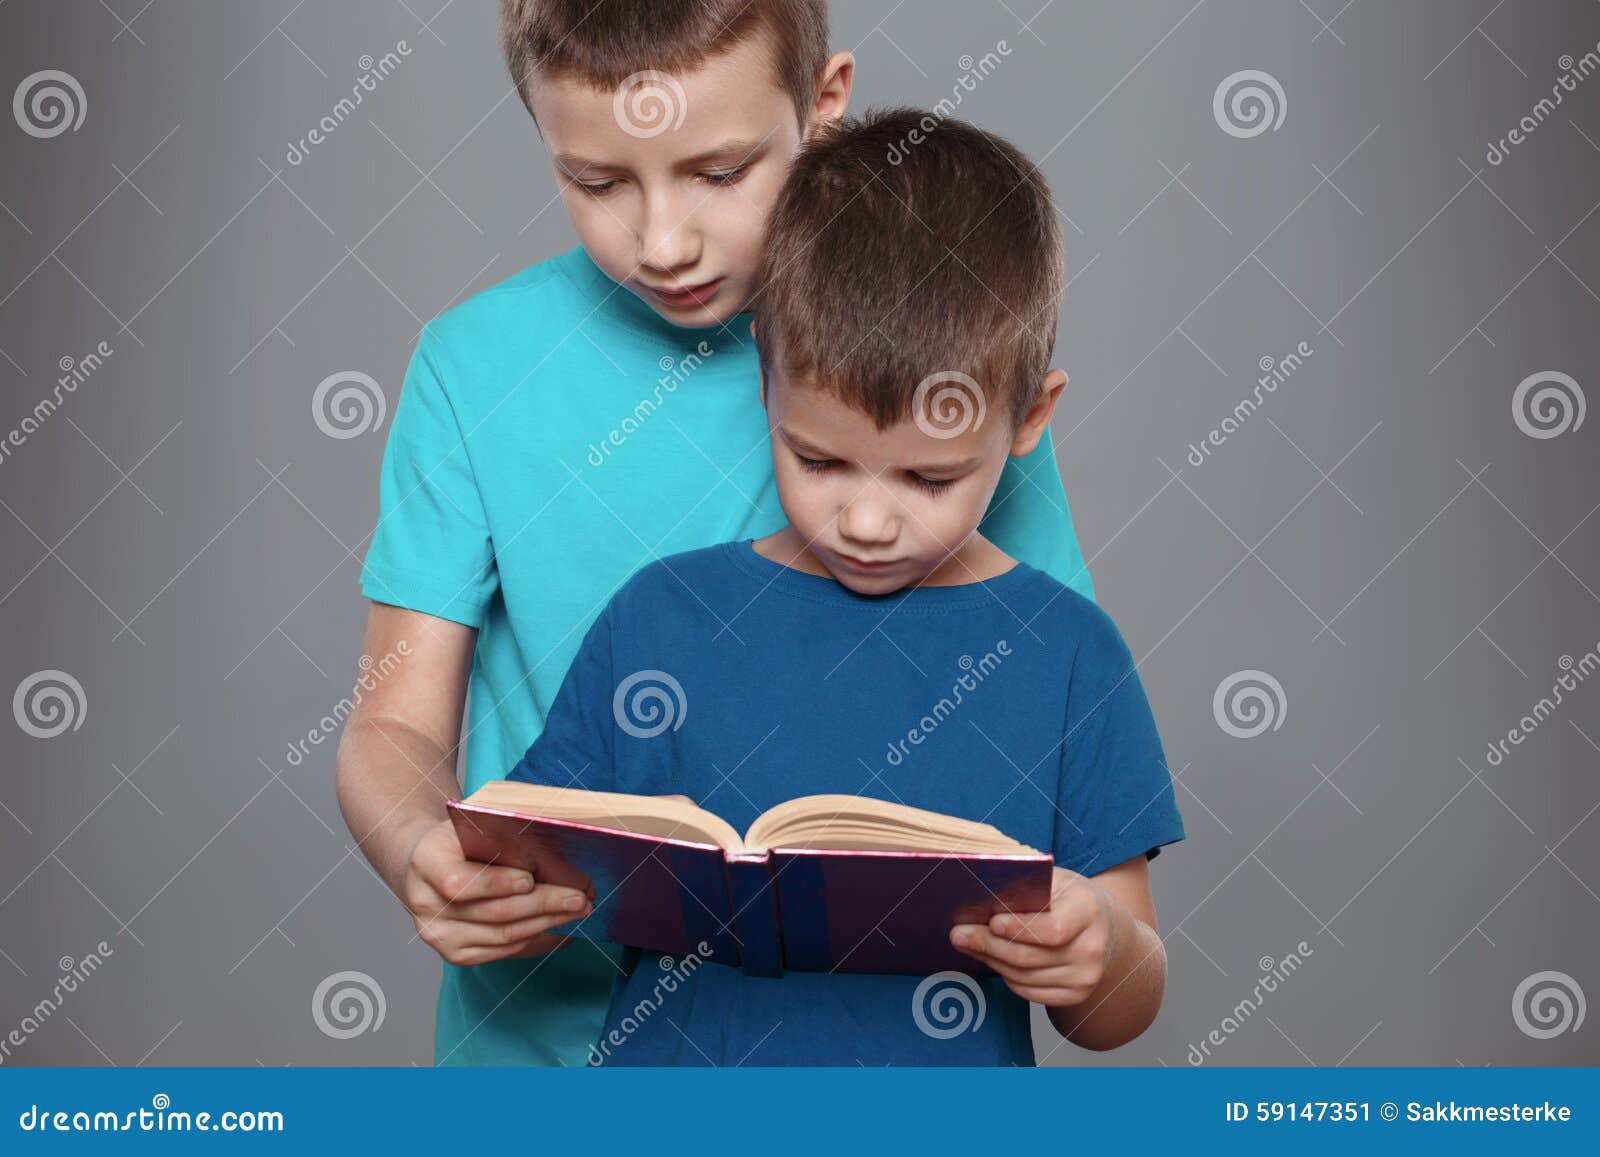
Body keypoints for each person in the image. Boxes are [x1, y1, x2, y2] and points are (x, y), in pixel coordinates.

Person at [335, 2, 1096, 1067]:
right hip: (533, 1063)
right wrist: (421, 845)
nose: (662, 241)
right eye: (597, 182)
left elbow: (1046, 714)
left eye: (721, 171)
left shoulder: (932, 364)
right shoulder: (472, 368)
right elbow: (393, 726)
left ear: (822, 106)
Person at [504, 109, 1185, 1065]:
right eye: (819, 459)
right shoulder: (660, 618)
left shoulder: (1069, 654)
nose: (867, 521)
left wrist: (1099, 949)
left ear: (1031, 416)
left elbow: (1118, 1008)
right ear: (765, 390)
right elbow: (533, 886)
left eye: (928, 478)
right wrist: (492, 895)